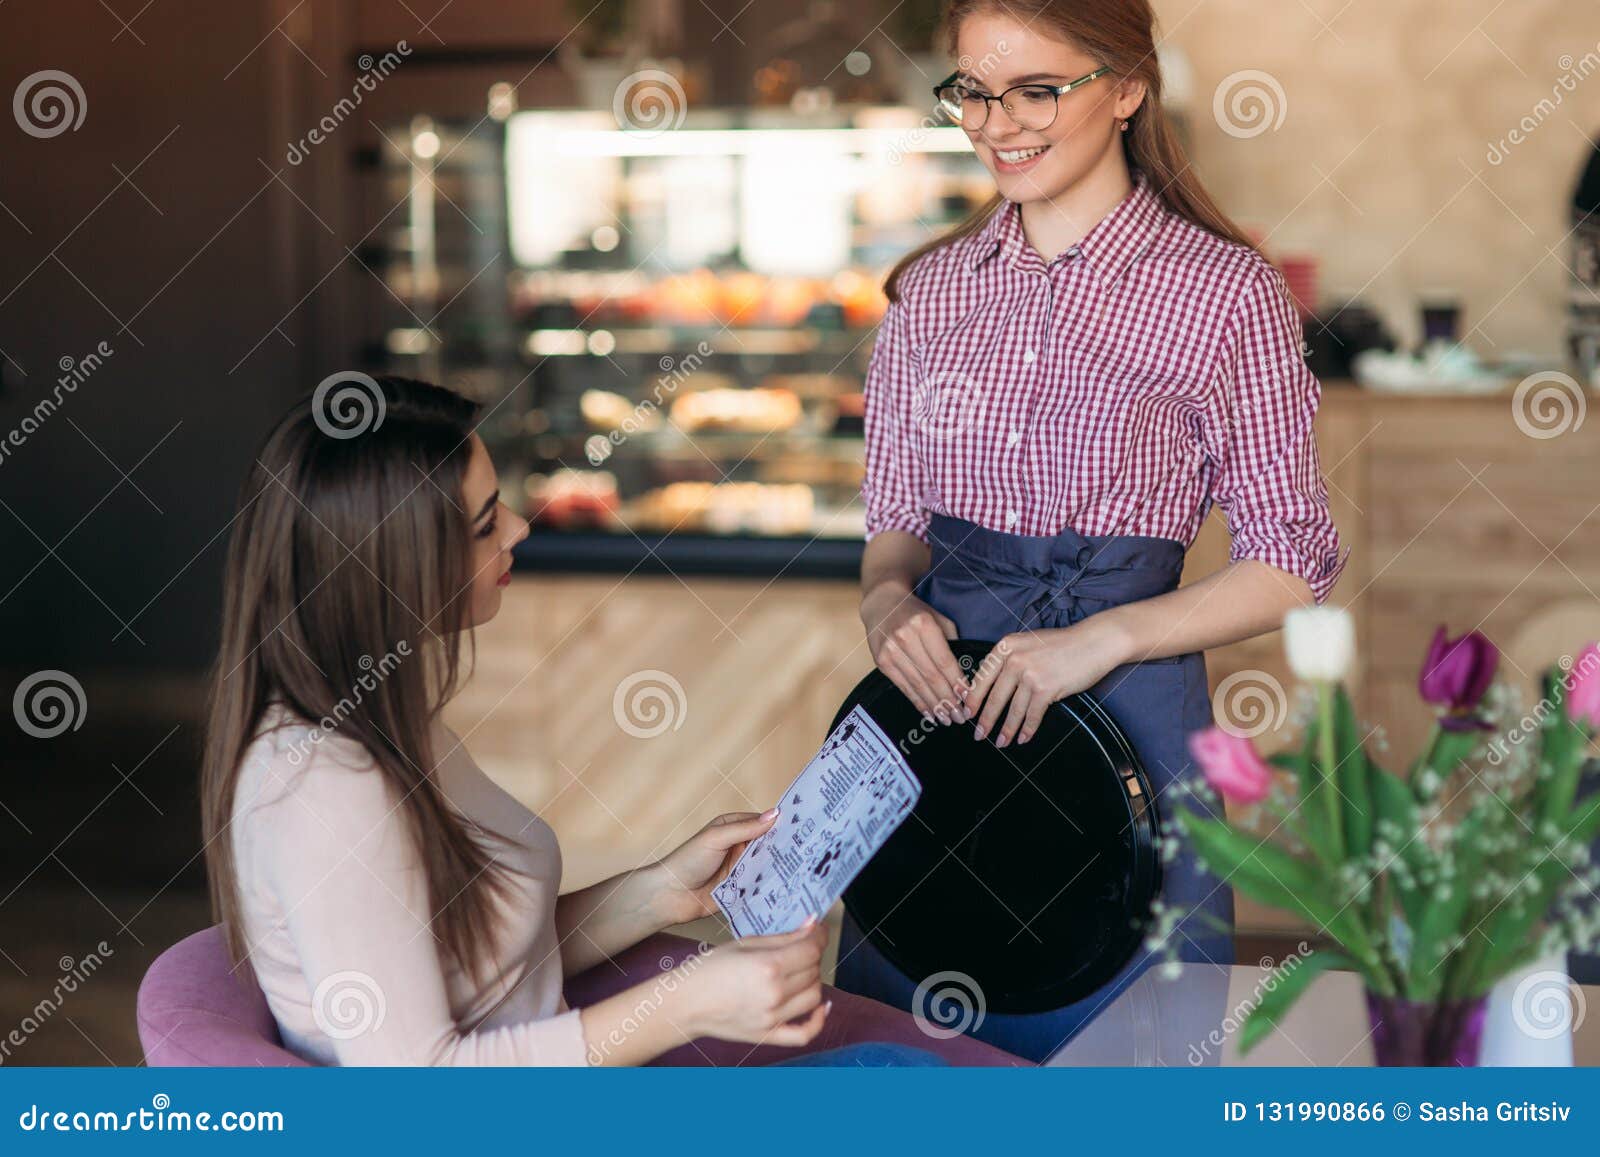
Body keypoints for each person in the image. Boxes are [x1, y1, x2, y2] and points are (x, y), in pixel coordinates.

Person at [198, 376, 1008, 1067]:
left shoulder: (382, 717)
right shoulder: (324, 788)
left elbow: (482, 971)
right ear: (393, 567)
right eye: (484, 524)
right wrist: (684, 1002)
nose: (518, 527)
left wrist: (655, 891)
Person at [843, 0, 1346, 1062]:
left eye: (1035, 88)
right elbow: (893, 527)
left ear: (1126, 88)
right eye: (972, 90)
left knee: (1128, 1079)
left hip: (1137, 732)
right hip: (943, 737)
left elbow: (1291, 563)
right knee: (906, 1076)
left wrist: (1104, 636)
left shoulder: (1224, 294)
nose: (995, 122)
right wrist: (890, 602)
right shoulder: (927, 297)